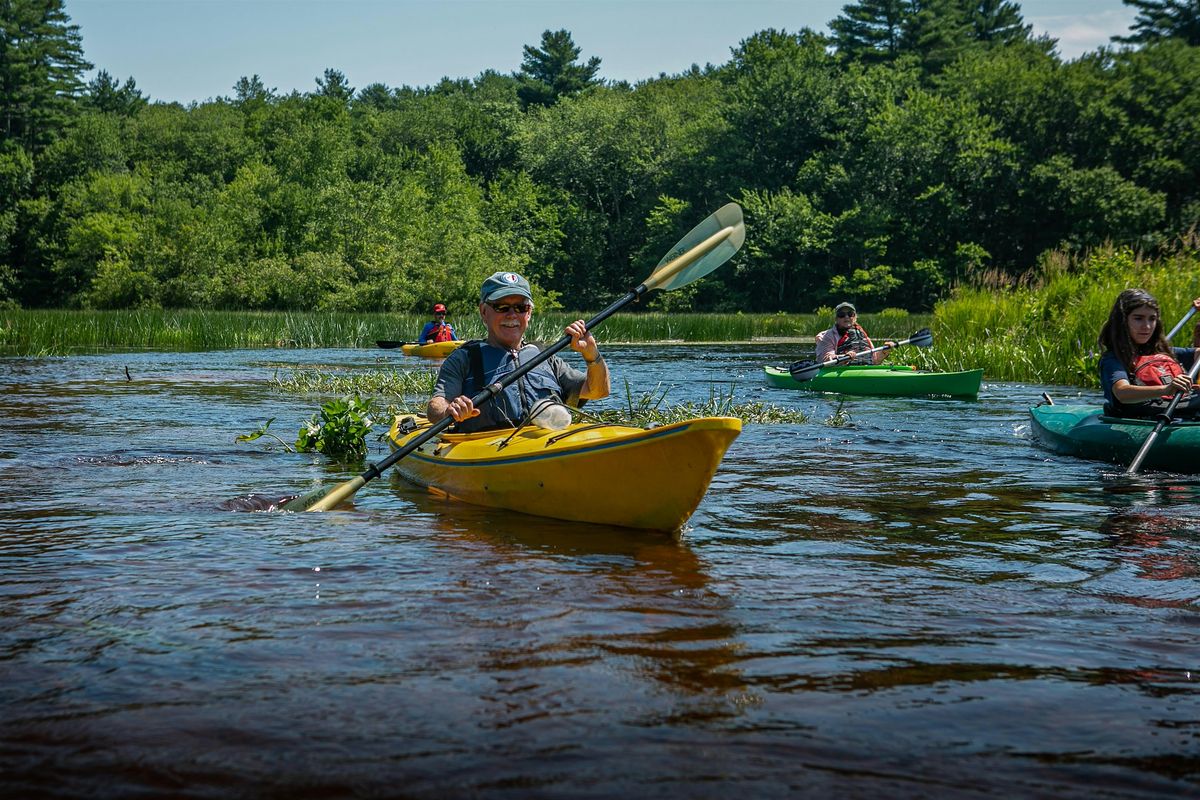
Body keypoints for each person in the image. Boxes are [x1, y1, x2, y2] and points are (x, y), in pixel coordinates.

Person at [427, 271, 611, 433]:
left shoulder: (545, 357)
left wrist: (591, 354)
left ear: (528, 313)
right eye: (502, 307)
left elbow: (597, 391)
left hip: (545, 443)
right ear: (483, 311)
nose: (512, 315)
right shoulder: (464, 358)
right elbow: (436, 407)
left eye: (521, 307)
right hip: (485, 448)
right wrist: (449, 410)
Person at [1098, 289, 1200, 419]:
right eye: (1138, 318)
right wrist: (1166, 389)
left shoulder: (1164, 353)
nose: (1146, 326)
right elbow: (1122, 392)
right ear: (1123, 321)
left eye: (1152, 319)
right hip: (1137, 416)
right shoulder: (1113, 358)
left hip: (1176, 409)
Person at [813, 302, 895, 365]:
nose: (846, 317)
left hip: (866, 371)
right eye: (841, 315)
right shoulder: (827, 336)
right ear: (836, 318)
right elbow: (823, 360)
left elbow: (875, 360)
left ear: (855, 317)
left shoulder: (862, 334)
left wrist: (884, 351)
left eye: (850, 314)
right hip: (841, 372)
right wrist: (844, 358)